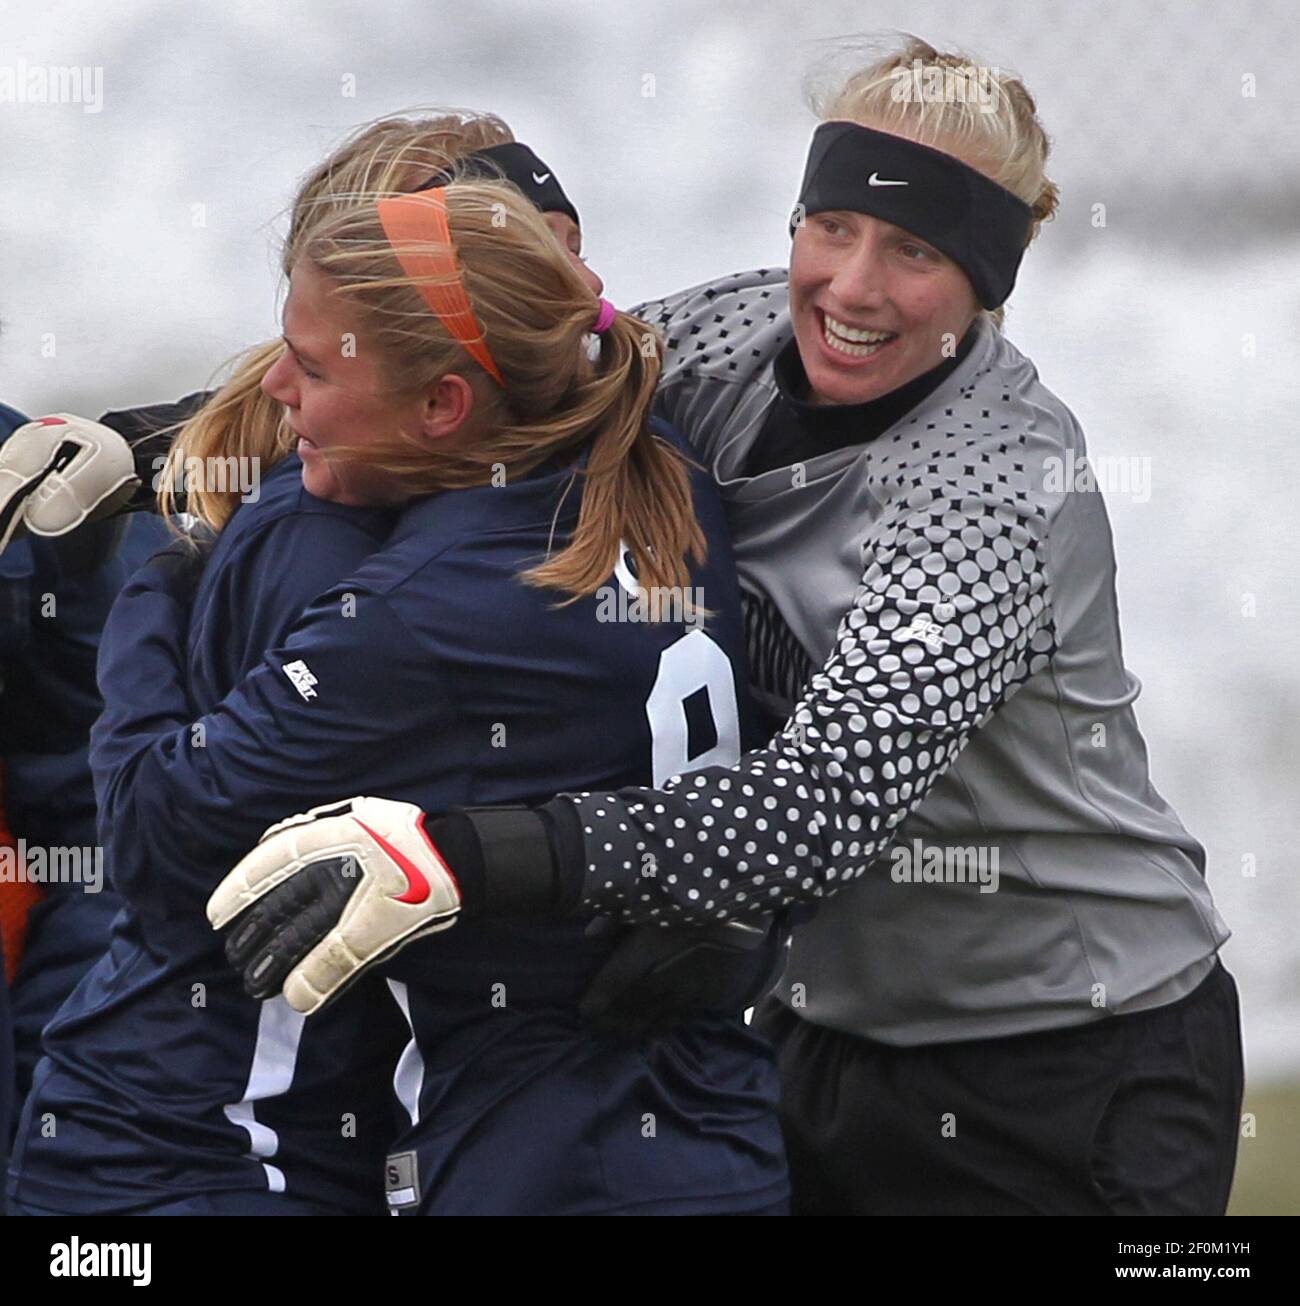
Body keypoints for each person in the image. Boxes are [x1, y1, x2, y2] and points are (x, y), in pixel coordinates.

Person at [225, 38, 1244, 1217]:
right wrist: (138, 444)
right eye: (831, 227)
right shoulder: (735, 338)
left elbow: (818, 807)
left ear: (985, 285)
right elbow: (485, 377)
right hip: (816, 1037)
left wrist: (459, 858)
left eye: (914, 251)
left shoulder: (996, 486)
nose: (852, 289)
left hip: (1075, 1059)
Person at [9, 116, 787, 1217]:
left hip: (252, 1146)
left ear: (446, 388)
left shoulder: (367, 568)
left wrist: (166, 572)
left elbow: (153, 832)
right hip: (708, 1119)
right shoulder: (656, 462)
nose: (569, 281)